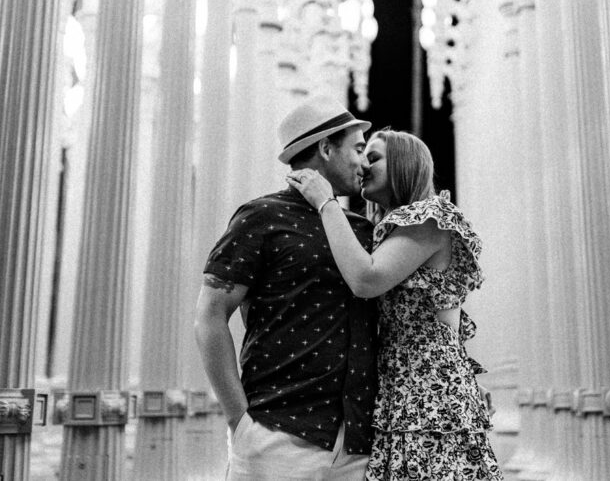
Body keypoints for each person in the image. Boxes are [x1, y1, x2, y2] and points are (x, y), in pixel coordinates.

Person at [287, 129, 503, 481]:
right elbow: (442, 314)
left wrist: (327, 203)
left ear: (404, 165)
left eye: (373, 157)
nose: (362, 165)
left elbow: (366, 280)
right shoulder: (387, 229)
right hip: (399, 388)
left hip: (427, 394)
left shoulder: (430, 217)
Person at [194, 97, 378, 481]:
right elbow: (210, 316)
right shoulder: (261, 217)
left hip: (358, 444)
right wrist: (239, 421)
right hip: (276, 436)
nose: (365, 163)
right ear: (326, 148)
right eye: (358, 149)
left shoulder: (362, 230)